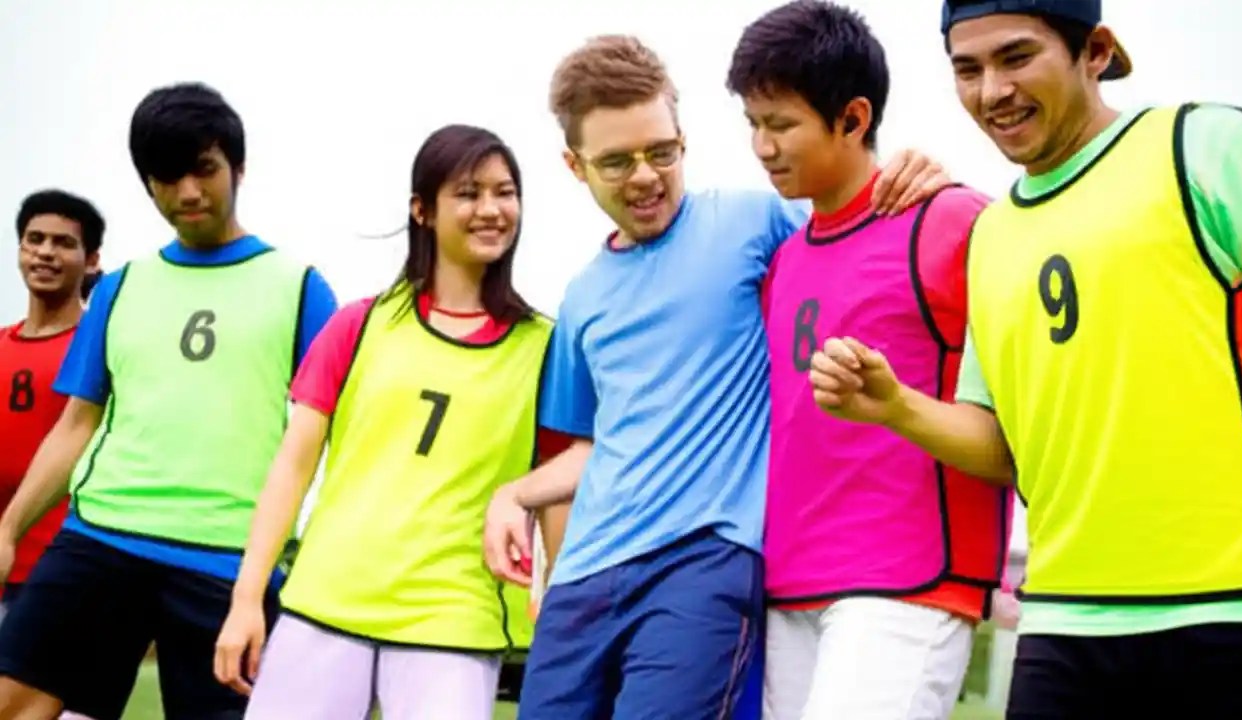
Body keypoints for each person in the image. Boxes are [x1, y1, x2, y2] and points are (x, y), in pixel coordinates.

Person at [809, 0, 1242, 717]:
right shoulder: (994, 235)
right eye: (967, 69)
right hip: (1063, 626)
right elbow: (1006, 447)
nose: (991, 90)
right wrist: (897, 407)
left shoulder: (1206, 145)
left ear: (1095, 51)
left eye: (1017, 57)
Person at [480, 34, 952, 719]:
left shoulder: (752, 221)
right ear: (574, 165)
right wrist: (512, 495)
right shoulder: (581, 299)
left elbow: (851, 225)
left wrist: (908, 171)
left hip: (704, 562)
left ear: (683, 139)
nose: (645, 176)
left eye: (661, 152)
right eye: (616, 161)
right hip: (585, 578)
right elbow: (592, 446)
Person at [0, 82, 338, 720]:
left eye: (205, 170)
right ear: (146, 183)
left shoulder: (300, 288)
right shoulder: (120, 288)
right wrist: (9, 529)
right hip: (100, 540)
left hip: (225, 564)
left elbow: (327, 437)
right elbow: (77, 425)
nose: (188, 193)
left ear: (238, 168)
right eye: (167, 176)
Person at [213, 123, 566, 719]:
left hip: (455, 619)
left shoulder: (546, 348)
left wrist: (560, 605)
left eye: (505, 192)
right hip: (324, 602)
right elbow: (292, 467)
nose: (491, 209)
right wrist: (247, 598)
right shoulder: (359, 325)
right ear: (422, 210)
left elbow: (558, 488)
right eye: (468, 193)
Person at [725, 2, 1011, 717]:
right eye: (753, 124)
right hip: (791, 582)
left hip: (910, 581)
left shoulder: (954, 221)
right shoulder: (783, 258)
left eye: (781, 124)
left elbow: (1019, 425)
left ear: (853, 119)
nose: (763, 146)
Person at [0, 190, 105, 629]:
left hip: (65, 569)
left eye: (63, 242)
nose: (45, 252)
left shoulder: (101, 348)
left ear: (92, 260)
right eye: (34, 239)